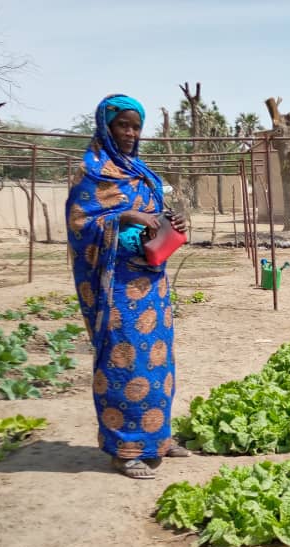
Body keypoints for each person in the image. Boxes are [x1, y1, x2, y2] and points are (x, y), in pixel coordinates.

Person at [66, 94, 190, 479]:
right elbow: (80, 225)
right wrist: (121, 217)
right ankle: (125, 449)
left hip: (151, 283)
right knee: (124, 359)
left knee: (158, 359)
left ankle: (158, 439)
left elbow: (155, 215)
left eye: (135, 126)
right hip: (116, 286)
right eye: (123, 125)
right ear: (106, 126)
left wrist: (174, 221)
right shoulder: (92, 173)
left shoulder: (140, 170)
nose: (130, 133)